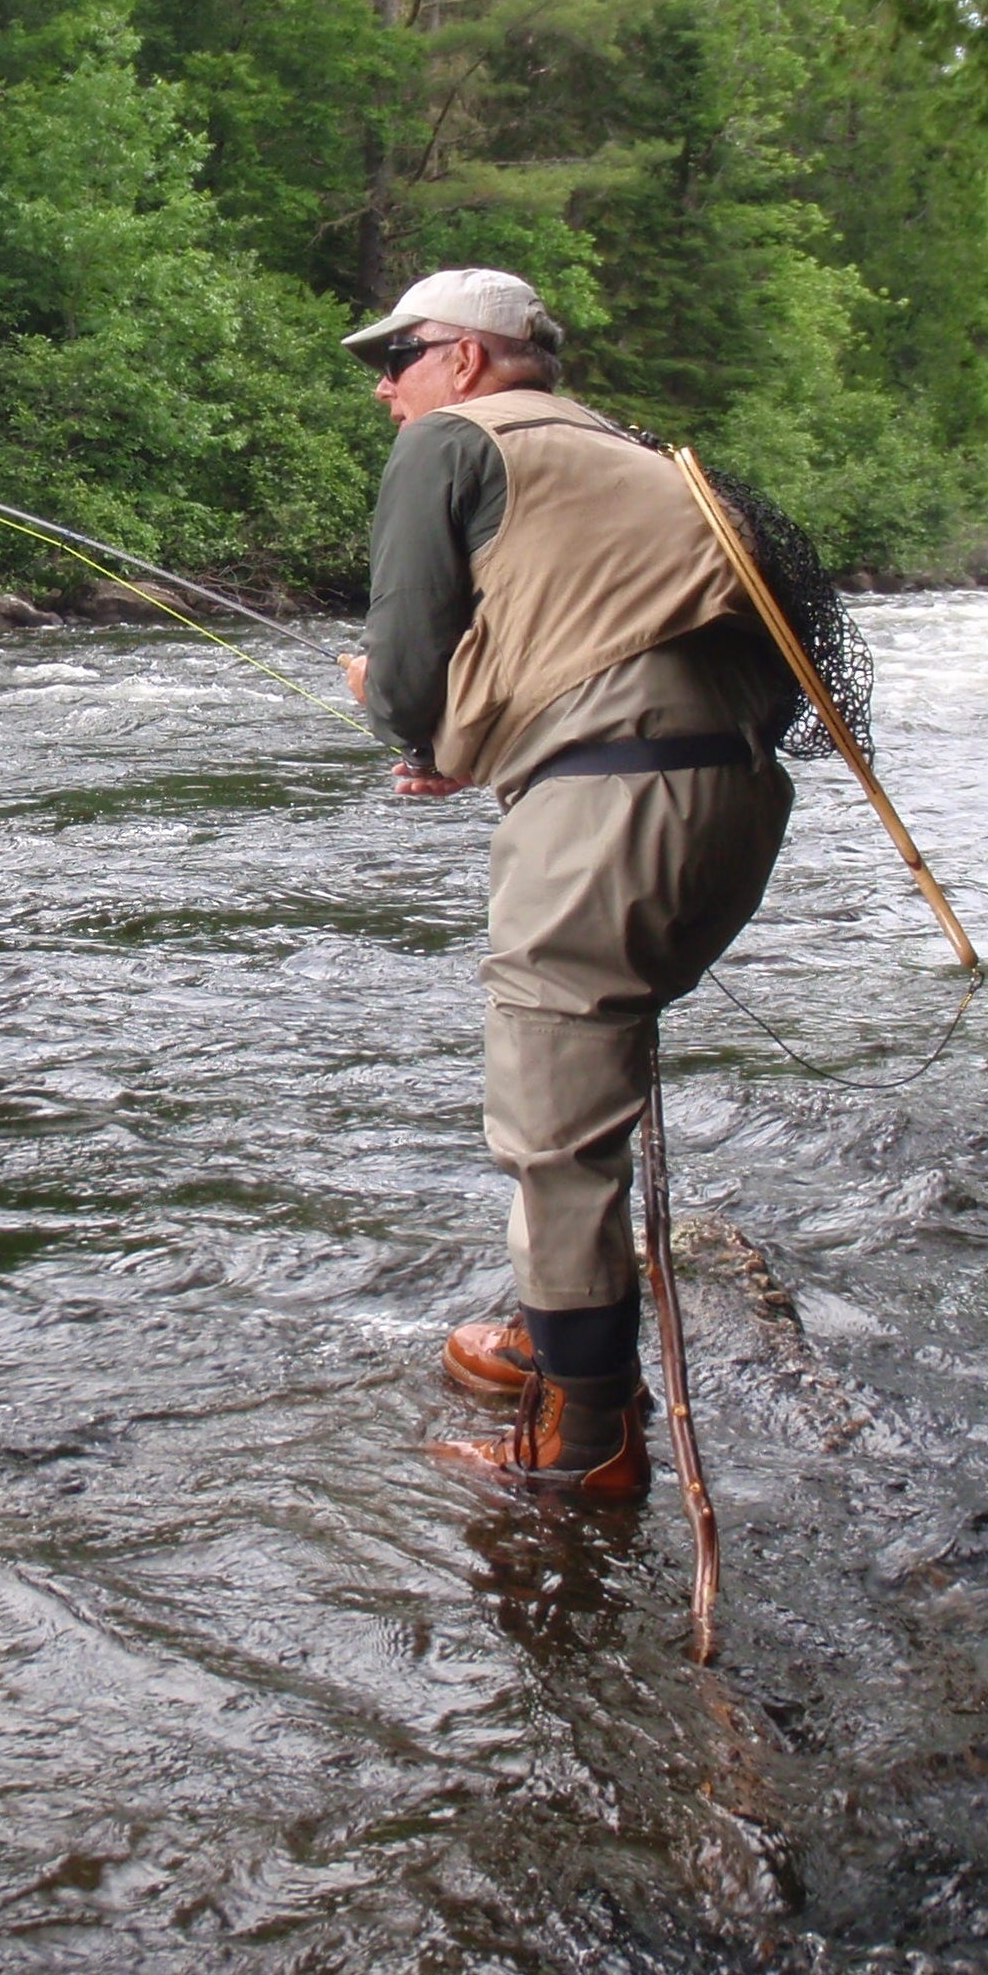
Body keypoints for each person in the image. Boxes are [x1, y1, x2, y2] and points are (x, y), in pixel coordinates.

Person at [339, 269, 798, 1499]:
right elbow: (599, 629)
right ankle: (552, 1335)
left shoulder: (453, 439)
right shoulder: (634, 454)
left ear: (470, 360)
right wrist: (466, 745)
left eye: (400, 354)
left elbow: (405, 667)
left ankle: (584, 1442)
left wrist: (399, 719)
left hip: (610, 808)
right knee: (587, 1079)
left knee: (551, 1123)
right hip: (735, 801)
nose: (385, 384)